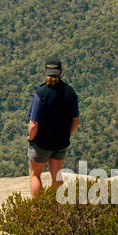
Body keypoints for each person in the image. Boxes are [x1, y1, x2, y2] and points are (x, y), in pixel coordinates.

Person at [28, 58, 80, 195]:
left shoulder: (40, 94)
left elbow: (33, 124)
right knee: (57, 175)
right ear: (61, 72)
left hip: (41, 143)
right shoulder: (70, 92)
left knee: (35, 175)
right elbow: (76, 120)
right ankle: (53, 206)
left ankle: (38, 209)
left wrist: (31, 138)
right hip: (61, 142)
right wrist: (67, 134)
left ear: (45, 71)